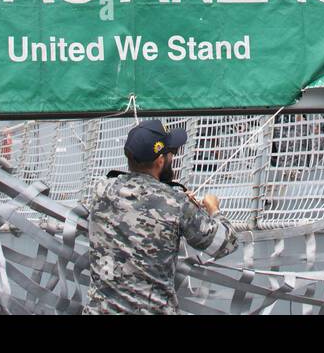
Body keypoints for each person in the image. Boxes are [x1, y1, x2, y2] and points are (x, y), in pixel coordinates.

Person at [84, 119, 239, 315]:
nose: (172, 157)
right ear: (160, 161)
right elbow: (225, 243)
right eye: (170, 153)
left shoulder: (101, 190)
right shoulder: (176, 203)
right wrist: (213, 210)